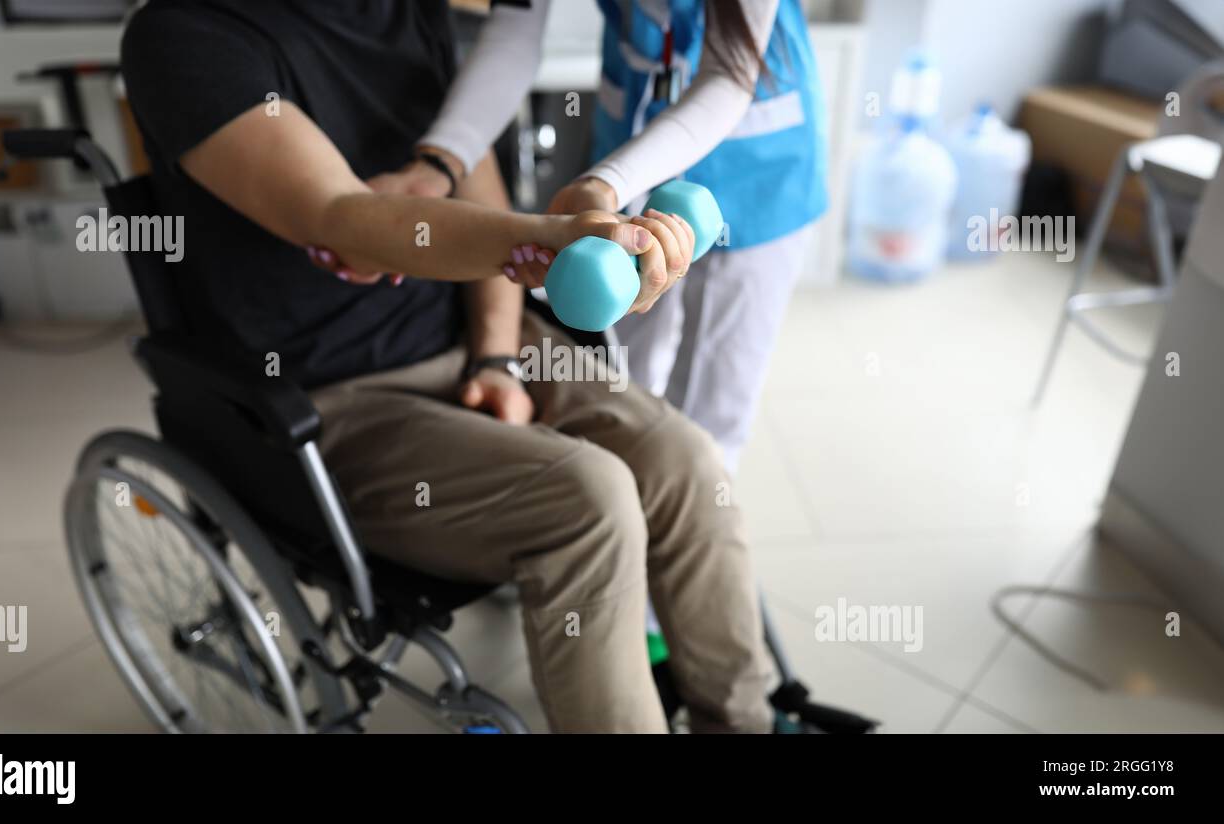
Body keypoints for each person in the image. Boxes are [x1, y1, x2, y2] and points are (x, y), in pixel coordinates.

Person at [121, 0, 779, 733]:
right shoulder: (185, 35)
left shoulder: (406, 14)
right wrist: (550, 240)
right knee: (591, 501)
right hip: (327, 399)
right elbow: (342, 219)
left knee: (681, 457)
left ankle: (744, 722)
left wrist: (498, 354)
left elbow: (472, 181)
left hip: (475, 339)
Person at [368, 0, 828, 471]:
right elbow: (513, 34)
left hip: (756, 177)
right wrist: (439, 161)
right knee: (625, 387)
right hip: (625, 172)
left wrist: (604, 183)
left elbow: (726, 77)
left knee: (712, 409)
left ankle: (694, 523)